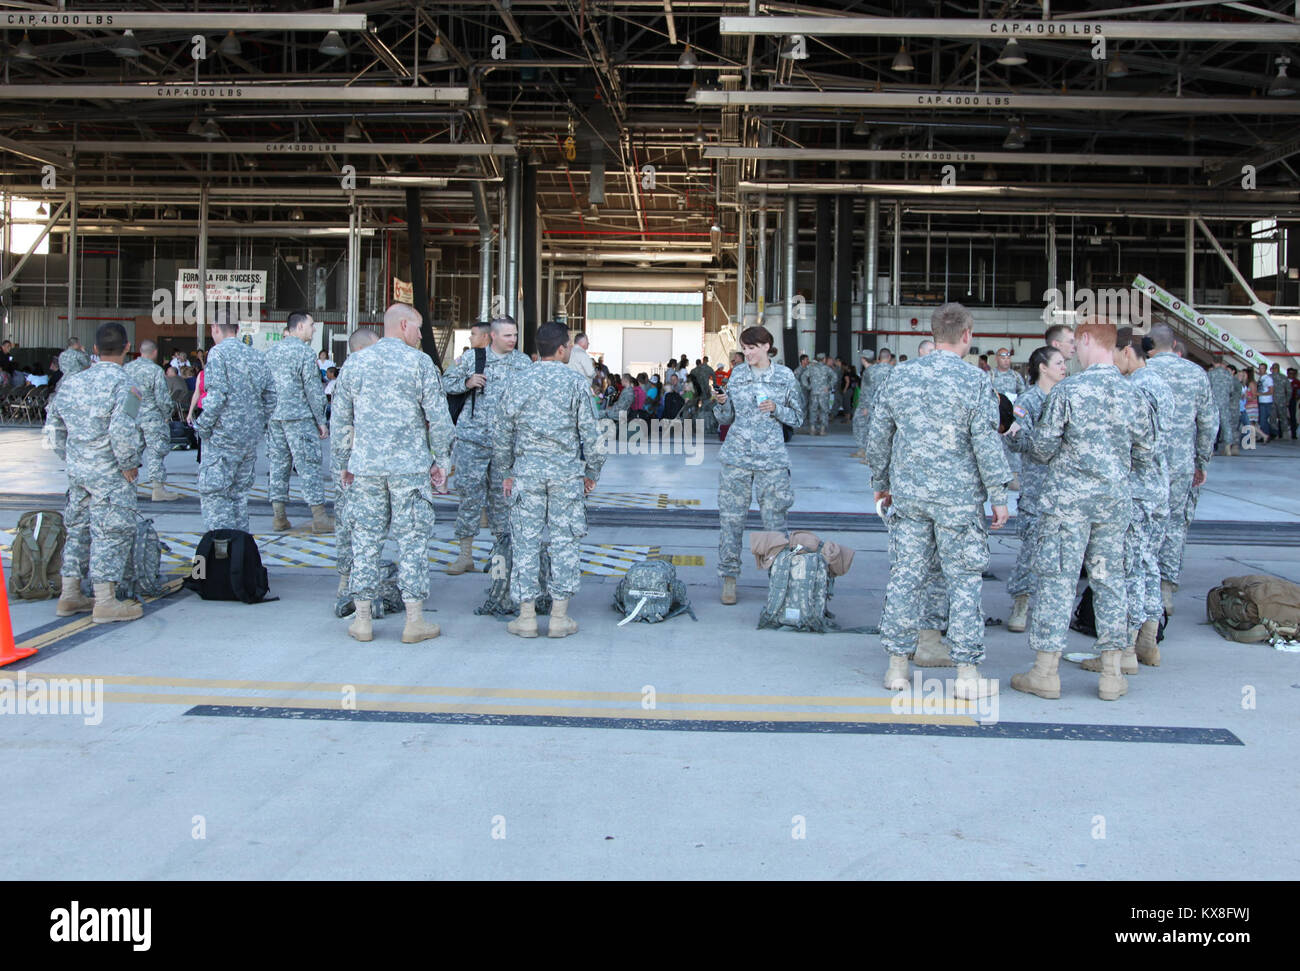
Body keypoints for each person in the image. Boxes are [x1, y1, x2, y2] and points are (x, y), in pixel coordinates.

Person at [867, 303, 1009, 699]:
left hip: (910, 496)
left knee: (906, 577)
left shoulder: (900, 376)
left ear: (929, 334)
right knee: (963, 583)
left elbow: (879, 435)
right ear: (967, 335)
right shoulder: (976, 381)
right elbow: (986, 442)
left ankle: (897, 667)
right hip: (958, 501)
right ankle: (966, 675)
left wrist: (880, 482)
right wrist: (998, 495)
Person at [1010, 318, 1154, 702]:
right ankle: (1110, 673)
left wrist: (1018, 438)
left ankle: (1046, 672)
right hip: (1112, 504)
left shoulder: (1068, 391)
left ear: (1089, 340)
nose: (1073, 352)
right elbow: (1145, 453)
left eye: (1077, 342)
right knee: (1109, 582)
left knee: (1058, 580)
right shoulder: (1134, 394)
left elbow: (1042, 450)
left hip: (1067, 505)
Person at [331, 303, 454, 644]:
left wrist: (343, 463)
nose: (420, 335)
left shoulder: (355, 363)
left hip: (366, 469)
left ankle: (363, 620)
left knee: (366, 541)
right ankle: (414, 621)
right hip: (409, 470)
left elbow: (341, 420)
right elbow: (439, 419)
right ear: (403, 325)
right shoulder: (419, 363)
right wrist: (441, 461)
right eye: (418, 328)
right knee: (412, 541)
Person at [493, 321, 605, 638]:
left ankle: (526, 617)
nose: (570, 349)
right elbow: (593, 437)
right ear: (560, 349)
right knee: (564, 542)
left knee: (526, 543)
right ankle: (559, 617)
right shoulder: (576, 383)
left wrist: (507, 472)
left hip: (526, 475)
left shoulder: (518, 381)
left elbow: (501, 433)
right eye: (569, 345)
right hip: (565, 475)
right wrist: (591, 473)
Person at [42, 322, 144, 624]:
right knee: (111, 531)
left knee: (78, 529)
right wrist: (129, 463)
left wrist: (74, 457)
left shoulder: (71, 383)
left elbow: (53, 430)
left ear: (95, 351)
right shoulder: (127, 385)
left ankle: (70, 594)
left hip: (79, 472)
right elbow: (122, 428)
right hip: (110, 474)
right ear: (127, 348)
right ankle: (105, 601)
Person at [1083, 327, 1173, 671]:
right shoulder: (1161, 386)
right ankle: (1148, 640)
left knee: (1127, 569)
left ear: (1125, 352)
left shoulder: (1133, 389)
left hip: (1134, 489)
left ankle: (1124, 650)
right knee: (1149, 564)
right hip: (1157, 490)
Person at [711, 326, 803, 605]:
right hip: (736, 458)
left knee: (775, 522)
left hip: (771, 461)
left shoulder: (785, 377)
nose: (747, 354)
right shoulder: (737, 375)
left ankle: (778, 578)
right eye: (744, 349)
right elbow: (726, 419)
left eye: (751, 348)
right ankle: (729, 578)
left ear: (767, 346)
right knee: (731, 520)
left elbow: (798, 418)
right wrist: (722, 402)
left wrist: (777, 408)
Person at [441, 316, 531, 574]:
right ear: (493, 336)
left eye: (515, 335)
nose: (513, 340)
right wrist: (466, 382)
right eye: (507, 335)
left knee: (503, 501)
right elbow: (446, 382)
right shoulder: (472, 359)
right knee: (469, 496)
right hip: (473, 441)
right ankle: (465, 555)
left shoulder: (523, 363)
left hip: (507, 444)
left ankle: (500, 557)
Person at [1144, 324, 1217, 617]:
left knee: (1145, 522)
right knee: (1174, 525)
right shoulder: (1196, 374)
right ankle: (1165, 589)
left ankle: (1142, 586)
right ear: (1174, 344)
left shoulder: (1142, 372)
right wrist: (1202, 461)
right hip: (1181, 464)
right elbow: (1209, 423)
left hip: (1146, 463)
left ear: (1149, 345)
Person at [1002, 345, 1068, 634]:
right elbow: (1016, 439)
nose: (1064, 367)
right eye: (1058, 362)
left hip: (1066, 487)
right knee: (1031, 548)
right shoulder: (1028, 400)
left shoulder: (1068, 397)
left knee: (1061, 553)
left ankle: (1052, 610)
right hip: (1037, 485)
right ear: (1043, 367)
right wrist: (1032, 442)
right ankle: (1021, 603)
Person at [193, 314, 276, 533]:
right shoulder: (256, 356)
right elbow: (271, 397)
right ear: (237, 329)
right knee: (239, 496)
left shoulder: (218, 353)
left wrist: (203, 426)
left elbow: (217, 396)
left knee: (215, 496)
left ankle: (222, 554)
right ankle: (240, 552)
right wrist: (257, 424)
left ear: (214, 328)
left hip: (222, 438)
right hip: (248, 440)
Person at [265, 310, 332, 534]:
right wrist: (321, 420)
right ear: (300, 326)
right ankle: (319, 516)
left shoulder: (270, 352)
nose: (313, 329)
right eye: (311, 325)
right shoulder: (304, 353)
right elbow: (313, 390)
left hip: (275, 418)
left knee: (278, 465)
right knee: (309, 465)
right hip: (299, 417)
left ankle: (279, 516)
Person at [329, 328, 380, 610]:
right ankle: (346, 579)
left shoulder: (364, 372)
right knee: (348, 523)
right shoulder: (353, 371)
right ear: (364, 348)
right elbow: (342, 423)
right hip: (352, 462)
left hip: (367, 462)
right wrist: (345, 463)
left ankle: (356, 581)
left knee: (361, 525)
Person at [122, 339, 180, 502]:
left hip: (132, 416)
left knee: (132, 452)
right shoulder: (155, 370)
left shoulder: (127, 368)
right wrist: (168, 412)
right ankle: (157, 489)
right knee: (155, 453)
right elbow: (161, 397)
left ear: (140, 351)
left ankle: (127, 487)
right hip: (152, 417)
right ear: (154, 353)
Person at [1206, 360, 1242, 456]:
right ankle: (1228, 448)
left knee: (1213, 426)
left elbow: (1206, 388)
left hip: (1213, 404)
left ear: (1214, 363)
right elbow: (1231, 389)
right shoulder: (1228, 375)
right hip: (1225, 403)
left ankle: (1211, 449)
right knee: (1227, 425)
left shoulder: (1210, 374)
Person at [800, 353, 836, 435]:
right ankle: (822, 430)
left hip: (814, 392)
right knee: (824, 410)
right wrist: (829, 386)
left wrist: (808, 386)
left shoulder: (811, 368)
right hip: (824, 393)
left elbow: (803, 376)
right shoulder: (827, 368)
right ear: (824, 359)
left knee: (813, 410)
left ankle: (812, 428)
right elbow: (835, 377)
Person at [1270, 362, 1292, 440]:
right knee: (1280, 418)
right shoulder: (1283, 378)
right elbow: (1289, 390)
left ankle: (1276, 434)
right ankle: (1282, 434)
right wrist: (1287, 400)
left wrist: (1287, 400)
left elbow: (1289, 390)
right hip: (1279, 400)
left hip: (1274, 401)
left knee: (1275, 418)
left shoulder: (1269, 377)